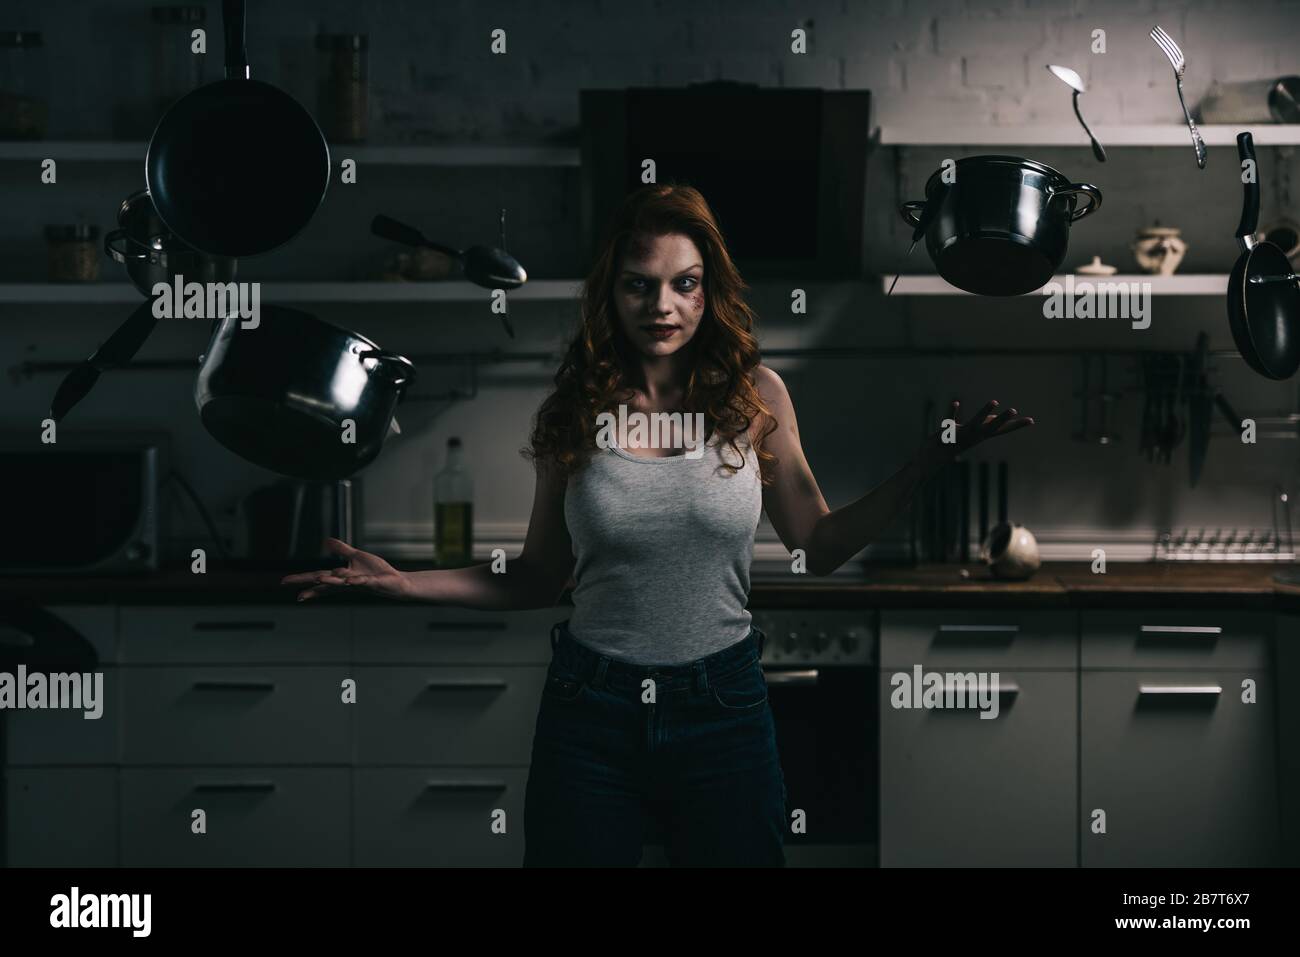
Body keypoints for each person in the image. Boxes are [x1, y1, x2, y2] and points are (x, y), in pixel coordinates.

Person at [282, 183, 1033, 866]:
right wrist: (404, 583)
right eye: (639, 285)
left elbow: (821, 543)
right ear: (611, 293)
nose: (661, 306)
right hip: (591, 714)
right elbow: (539, 575)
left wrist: (922, 467)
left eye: (685, 284)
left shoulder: (756, 398)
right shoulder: (575, 411)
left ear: (710, 291)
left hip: (723, 710)